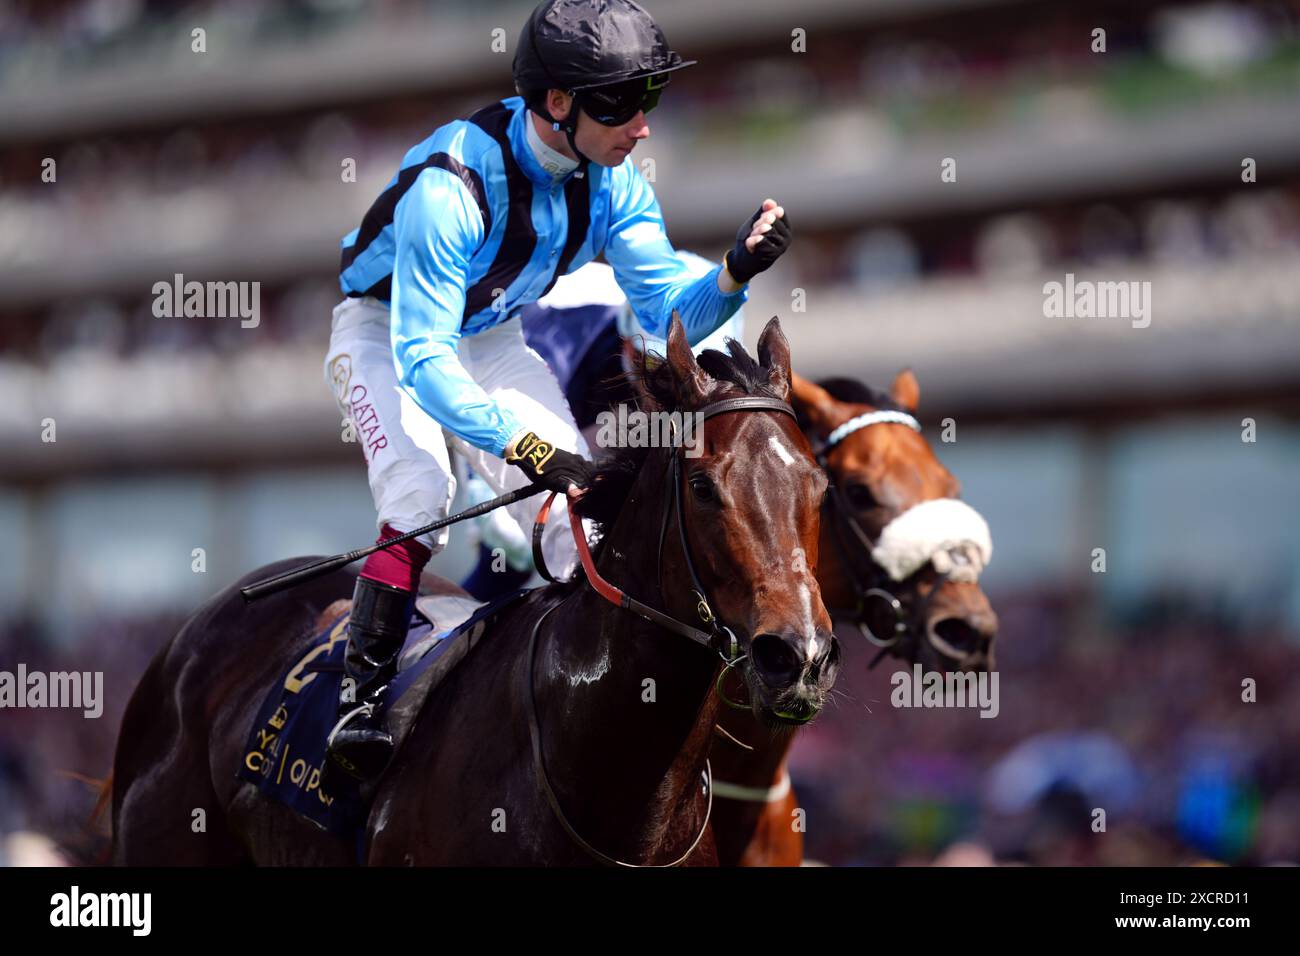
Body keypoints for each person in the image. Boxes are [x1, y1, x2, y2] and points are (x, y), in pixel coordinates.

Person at [322, 0, 793, 782]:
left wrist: (732, 272)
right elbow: (425, 364)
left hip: (493, 332)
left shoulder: (614, 182)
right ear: (555, 103)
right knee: (420, 493)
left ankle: (603, 703)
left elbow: (664, 314)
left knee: (566, 515)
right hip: (388, 332)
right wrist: (527, 446)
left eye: (649, 100)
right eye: (621, 104)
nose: (641, 125)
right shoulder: (451, 189)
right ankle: (359, 706)